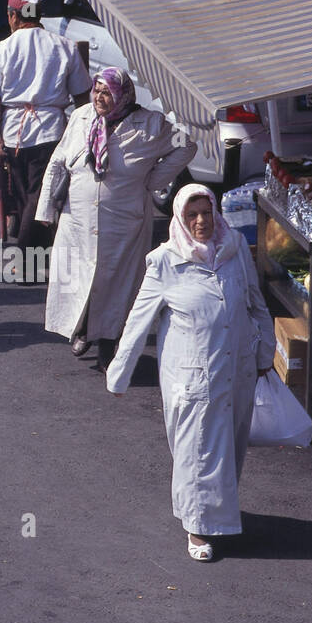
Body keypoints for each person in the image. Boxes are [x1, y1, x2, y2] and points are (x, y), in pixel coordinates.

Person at [107, 185, 275, 561]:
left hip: (236, 368)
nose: (201, 221)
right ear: (180, 221)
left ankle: (218, 516)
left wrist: (265, 353)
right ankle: (196, 531)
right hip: (191, 374)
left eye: (206, 213)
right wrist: (120, 375)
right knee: (196, 450)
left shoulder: (233, 250)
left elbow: (255, 302)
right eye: (191, 215)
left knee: (227, 447)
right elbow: (138, 321)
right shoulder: (165, 261)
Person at [36, 68, 198, 366]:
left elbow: (187, 146)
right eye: (96, 90)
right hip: (78, 220)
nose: (100, 97)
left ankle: (110, 347)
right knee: (81, 276)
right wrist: (46, 208)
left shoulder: (151, 124)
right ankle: (83, 329)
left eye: (107, 92)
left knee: (117, 283)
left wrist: (152, 179)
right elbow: (58, 160)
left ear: (123, 95)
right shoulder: (81, 117)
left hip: (124, 221)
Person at [0, 0, 92, 278]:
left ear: (13, 15)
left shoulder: (3, 49)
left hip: (14, 132)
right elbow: (82, 95)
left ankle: (27, 265)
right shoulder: (64, 46)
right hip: (52, 132)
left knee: (29, 197)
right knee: (36, 196)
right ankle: (36, 261)